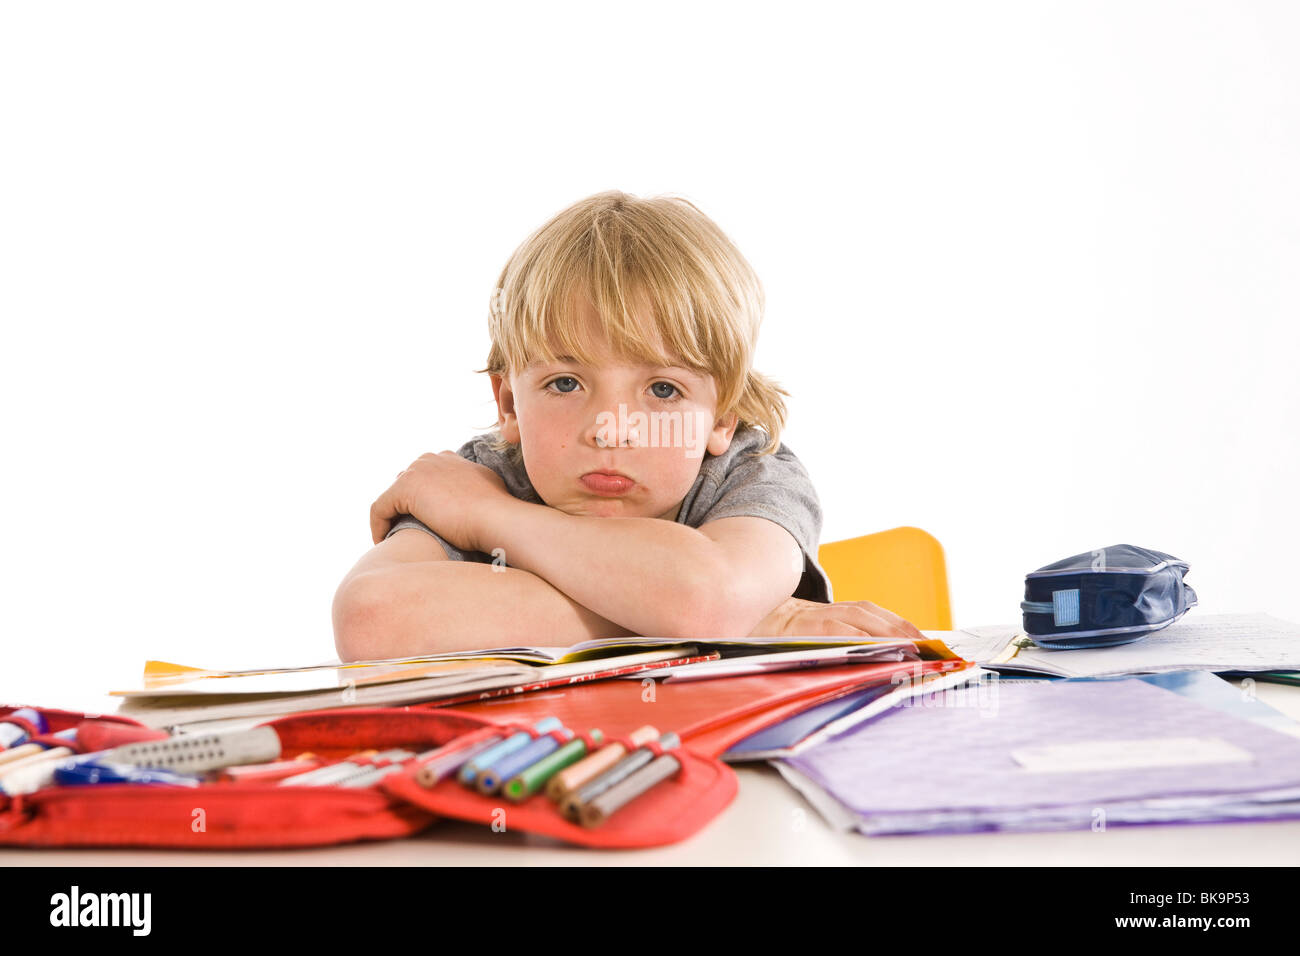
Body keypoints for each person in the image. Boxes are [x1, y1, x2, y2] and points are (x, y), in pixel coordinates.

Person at [332, 190, 922, 661]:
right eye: (566, 384)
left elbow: (709, 596)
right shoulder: (483, 473)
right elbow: (374, 618)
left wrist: (492, 518)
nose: (612, 430)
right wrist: (751, 621)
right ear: (510, 404)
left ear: (722, 417)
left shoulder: (750, 471)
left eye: (664, 390)